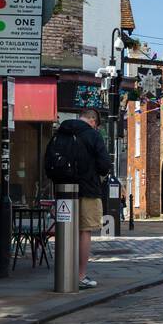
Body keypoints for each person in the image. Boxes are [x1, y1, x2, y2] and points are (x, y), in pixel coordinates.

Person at [49, 108, 112, 289]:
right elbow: (104, 164)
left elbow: (49, 161)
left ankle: (64, 274)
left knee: (66, 230)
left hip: (62, 191)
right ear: (93, 121)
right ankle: (80, 275)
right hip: (87, 190)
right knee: (85, 231)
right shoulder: (93, 135)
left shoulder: (61, 133)